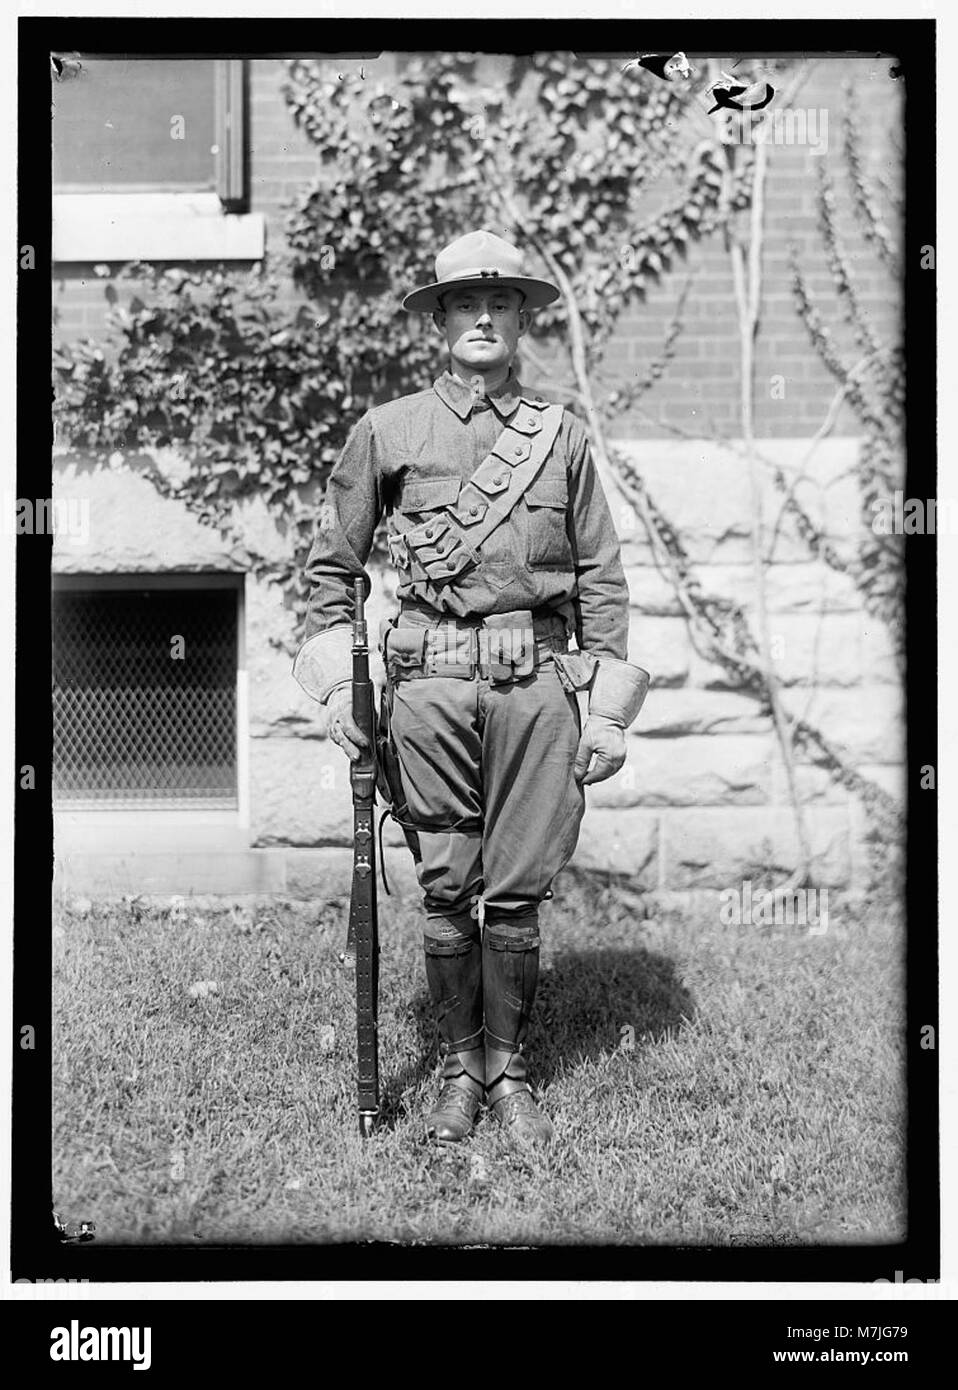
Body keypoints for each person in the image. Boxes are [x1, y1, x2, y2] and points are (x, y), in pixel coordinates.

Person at [293, 229, 649, 1148]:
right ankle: (458, 1071)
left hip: (534, 686)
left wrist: (606, 712)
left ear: (522, 319)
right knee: (447, 889)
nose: (482, 317)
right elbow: (332, 570)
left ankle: (510, 1071)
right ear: (439, 320)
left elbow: (601, 576)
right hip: (429, 692)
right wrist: (340, 690)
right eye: (463, 303)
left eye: (500, 303)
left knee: (520, 892)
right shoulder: (389, 431)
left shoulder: (559, 438)